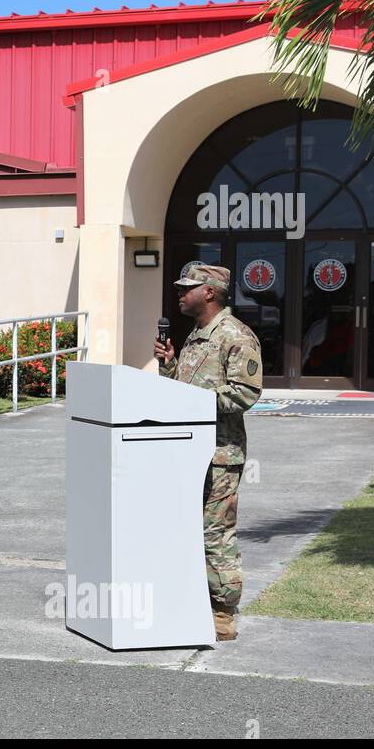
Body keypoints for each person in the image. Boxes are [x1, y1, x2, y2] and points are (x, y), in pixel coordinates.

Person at [153, 264, 262, 641]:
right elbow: (182, 389)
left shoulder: (236, 336)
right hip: (185, 452)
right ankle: (190, 598)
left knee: (215, 533)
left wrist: (193, 402)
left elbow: (245, 394)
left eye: (188, 288)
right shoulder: (197, 336)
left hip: (220, 454)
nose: (180, 294)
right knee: (182, 529)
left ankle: (223, 612)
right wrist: (168, 366)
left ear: (210, 292)